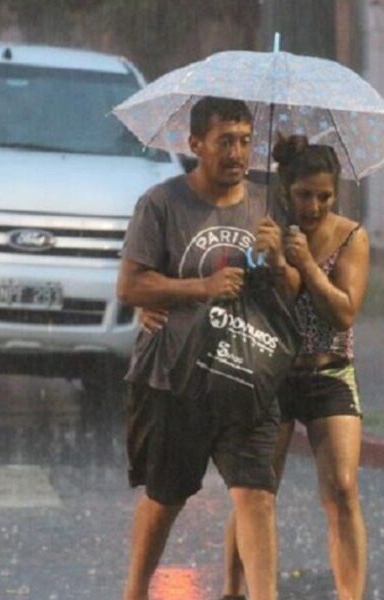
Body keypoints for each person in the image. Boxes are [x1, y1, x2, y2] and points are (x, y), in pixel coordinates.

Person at [116, 96, 298, 600]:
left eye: (244, 141)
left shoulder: (267, 204)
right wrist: (200, 288)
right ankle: (135, 591)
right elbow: (130, 286)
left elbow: (289, 293)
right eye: (225, 142)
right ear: (196, 144)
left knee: (257, 494)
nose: (237, 153)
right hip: (175, 376)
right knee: (165, 498)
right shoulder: (161, 203)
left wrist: (278, 260)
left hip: (245, 373)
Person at [208, 135, 372, 600]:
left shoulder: (352, 237)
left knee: (342, 488)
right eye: (304, 195)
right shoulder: (262, 231)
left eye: (324, 196)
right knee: (256, 492)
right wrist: (272, 259)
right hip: (271, 374)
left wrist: (307, 265)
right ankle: (233, 590)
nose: (314, 207)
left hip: (329, 372)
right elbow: (254, 296)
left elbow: (343, 313)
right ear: (285, 190)